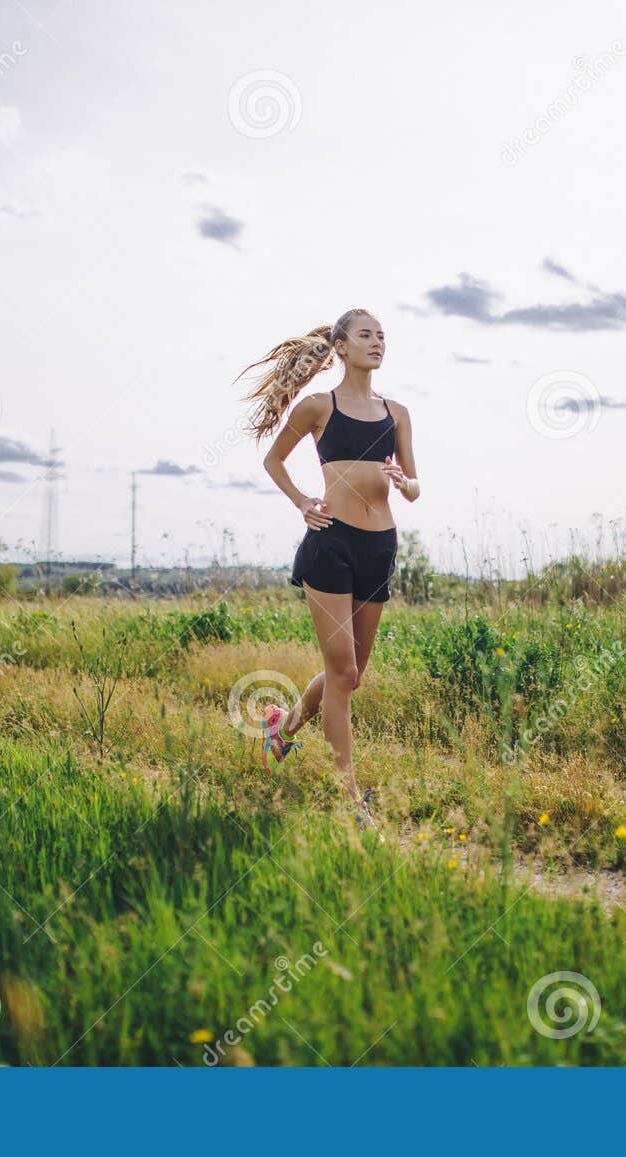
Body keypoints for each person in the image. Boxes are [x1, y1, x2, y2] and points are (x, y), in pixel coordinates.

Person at [237, 308, 420, 828]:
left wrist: (403, 483)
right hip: (330, 544)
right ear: (340, 346)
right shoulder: (319, 405)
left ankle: (282, 726)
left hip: (380, 546)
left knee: (353, 675)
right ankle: (351, 799)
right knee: (341, 670)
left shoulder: (397, 412)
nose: (377, 342)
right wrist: (301, 501)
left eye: (382, 336)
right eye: (366, 335)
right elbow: (273, 461)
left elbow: (414, 484)